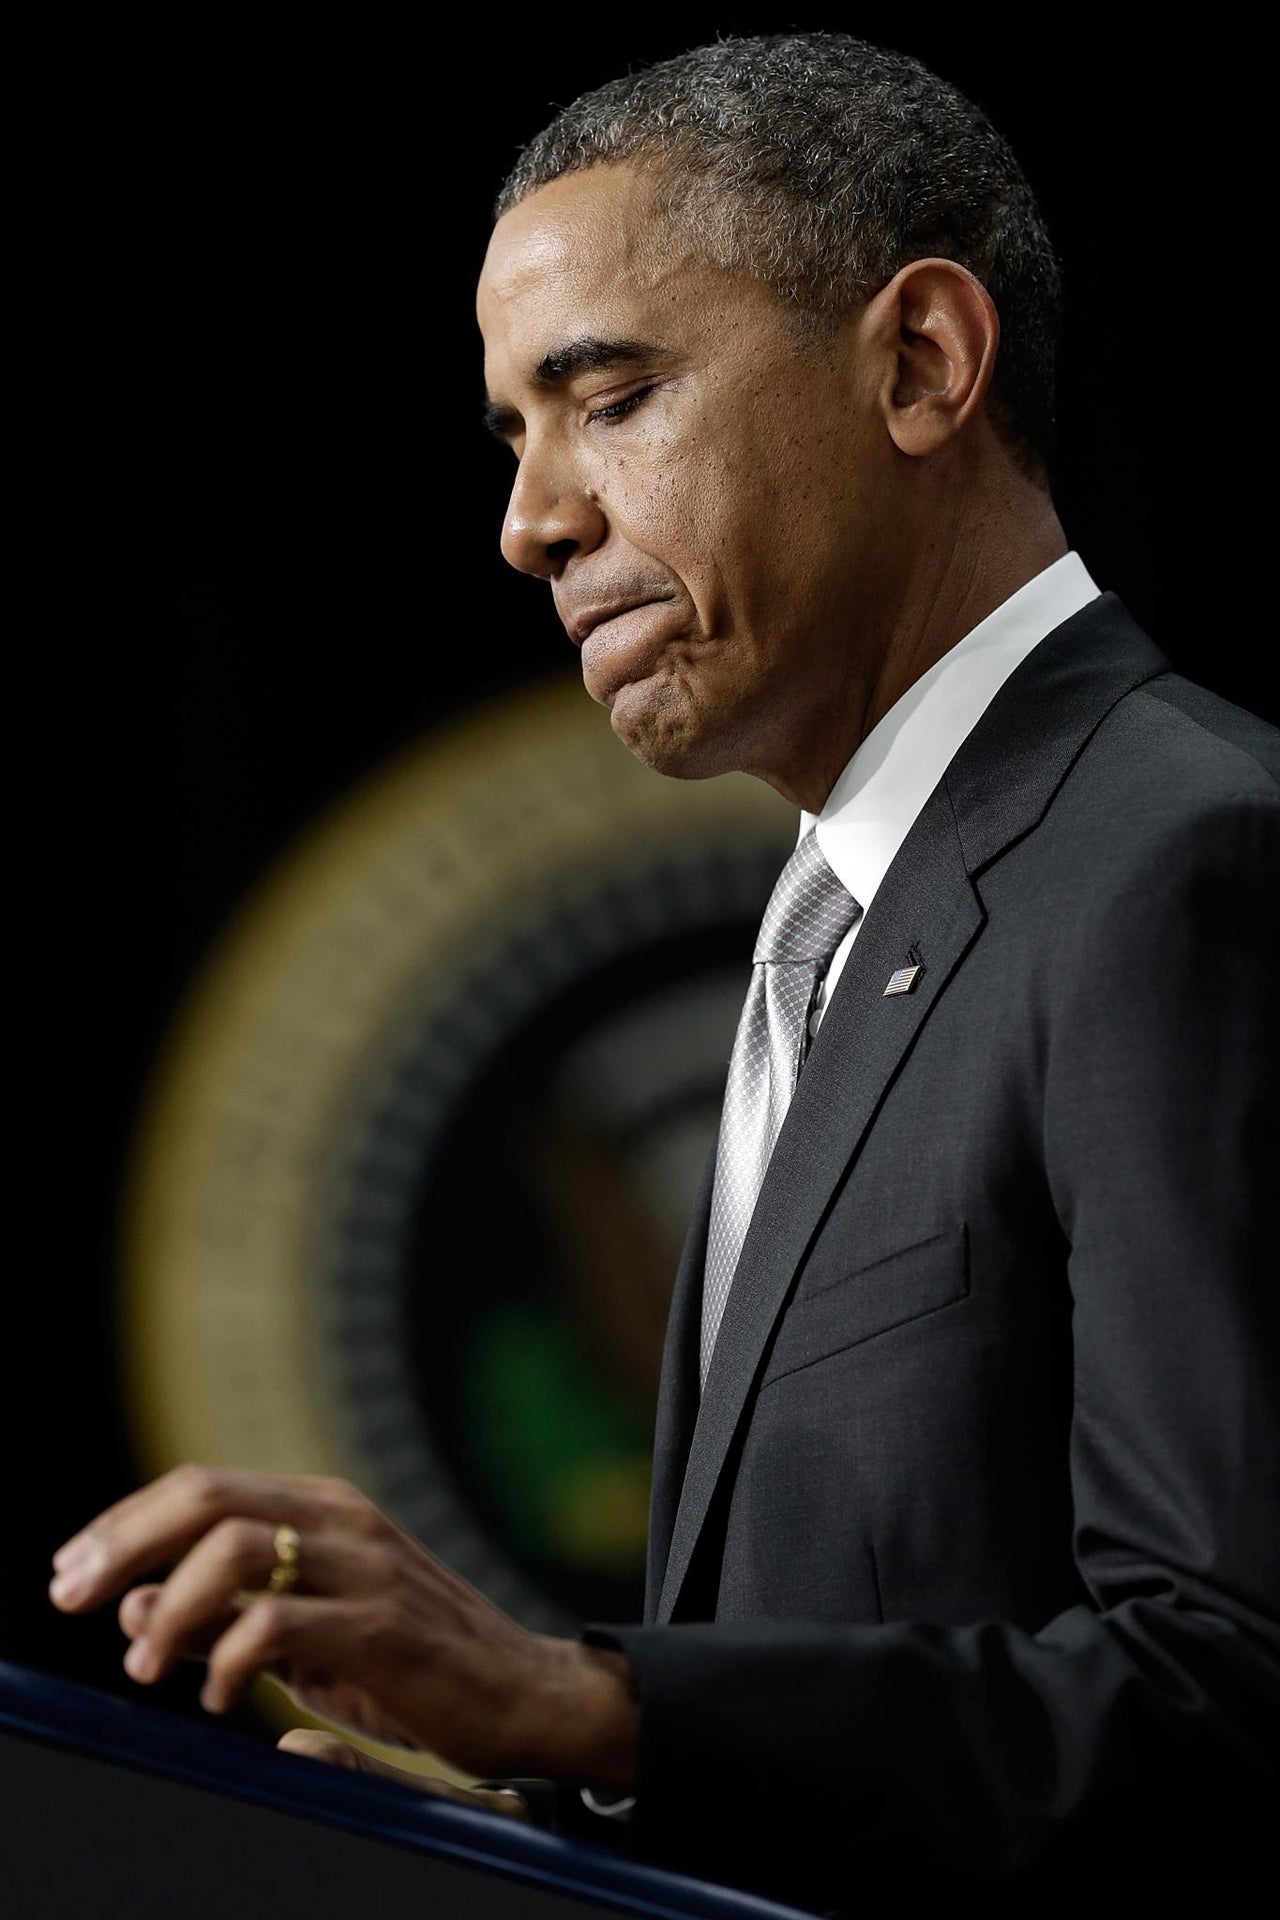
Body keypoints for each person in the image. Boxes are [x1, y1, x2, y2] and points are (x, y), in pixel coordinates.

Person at [51, 32, 1279, 1899]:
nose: (529, 521)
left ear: (921, 363)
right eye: (515, 437)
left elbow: (1233, 1702)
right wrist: (571, 1846)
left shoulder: (1186, 859)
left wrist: (586, 1704)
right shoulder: (836, 929)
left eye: (610, 399)